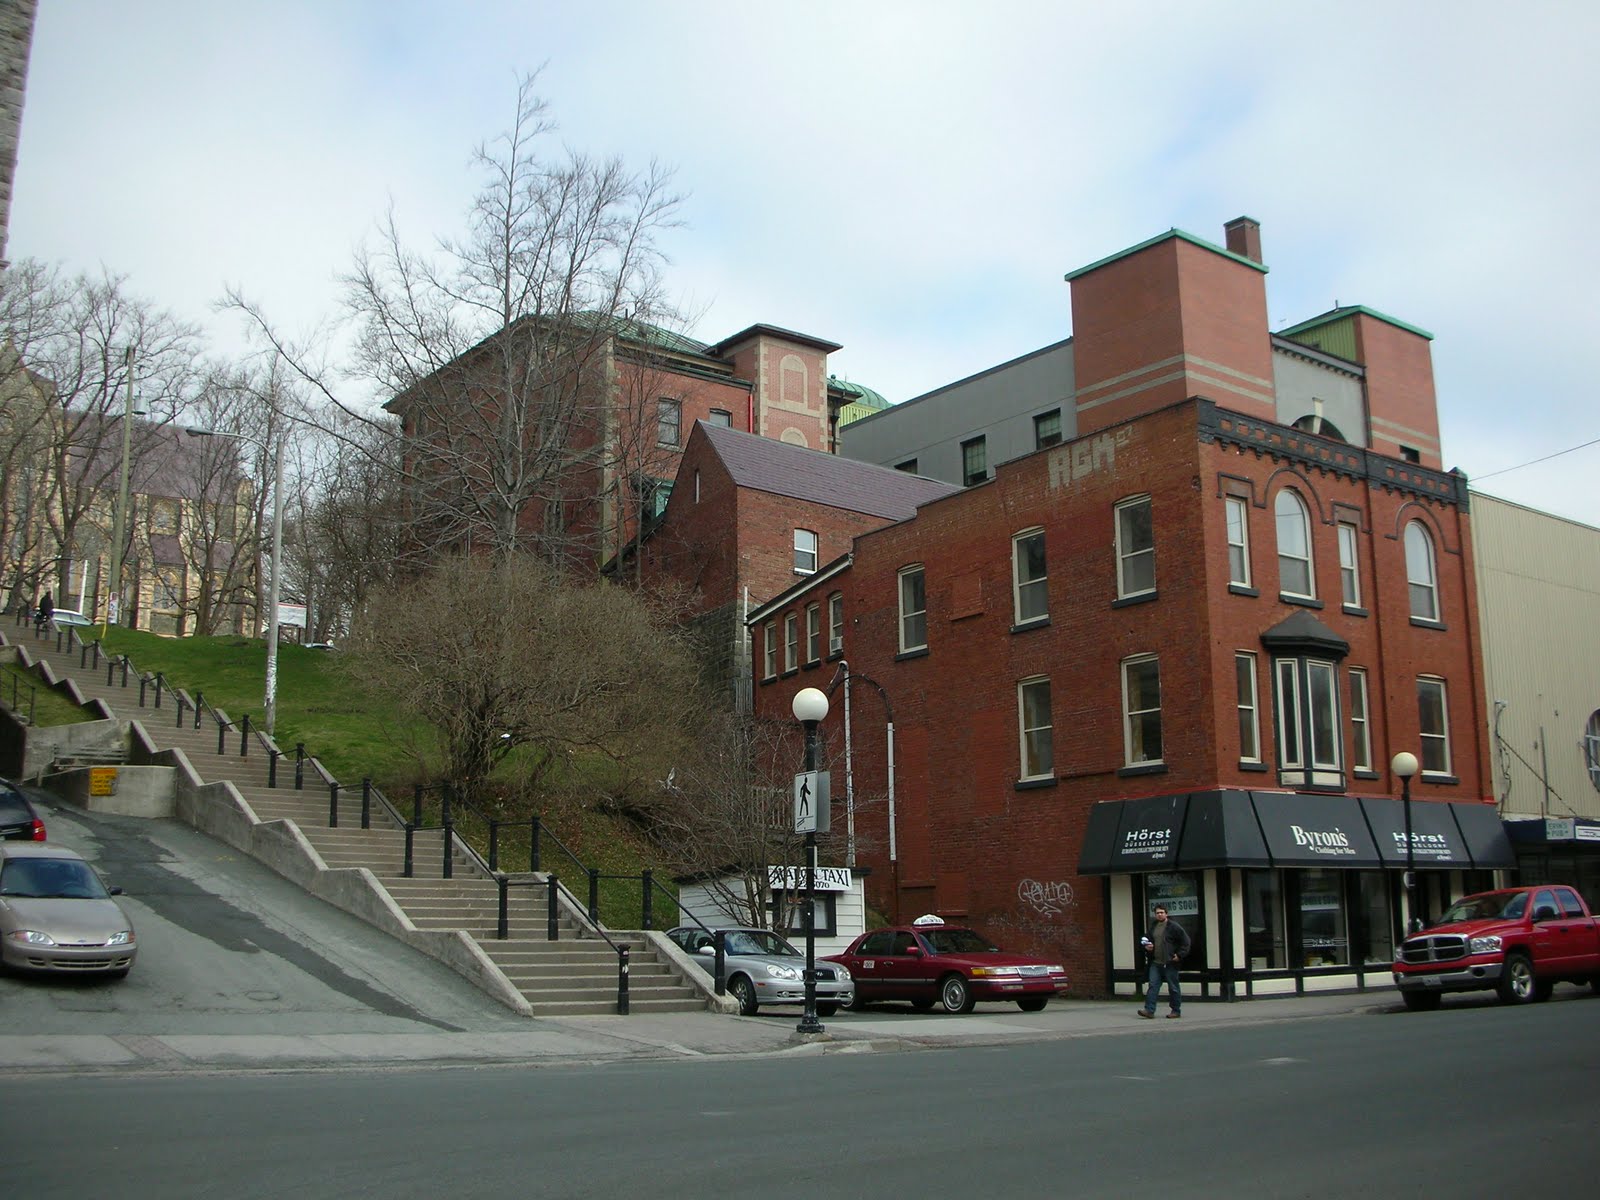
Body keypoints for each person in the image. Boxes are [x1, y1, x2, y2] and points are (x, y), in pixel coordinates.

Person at [1138, 903, 1191, 1019]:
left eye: (1162, 912)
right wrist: (1146, 945)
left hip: (1170, 962)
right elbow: (1145, 939)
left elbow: (1186, 942)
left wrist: (1179, 955)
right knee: (1153, 985)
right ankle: (1149, 1010)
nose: (1160, 915)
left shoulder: (1174, 927)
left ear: (1166, 914)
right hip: (1156, 962)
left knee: (1173, 987)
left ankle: (1176, 1010)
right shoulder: (1153, 926)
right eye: (1157, 913)